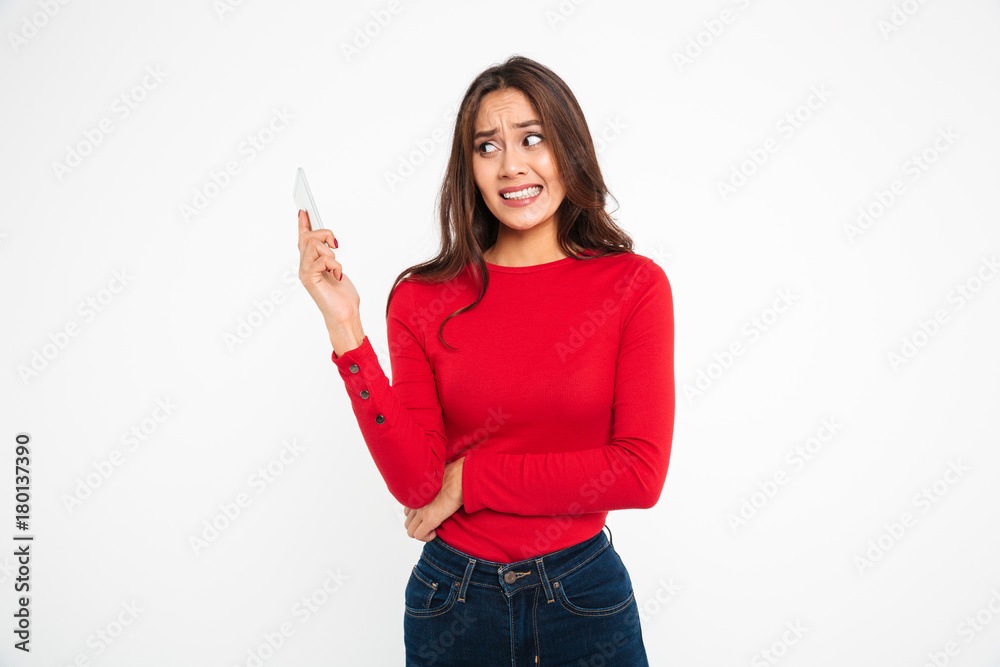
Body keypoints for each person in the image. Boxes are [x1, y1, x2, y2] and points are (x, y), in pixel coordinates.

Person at [297, 54, 673, 666]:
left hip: (583, 597)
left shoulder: (633, 286)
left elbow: (638, 473)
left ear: (569, 149)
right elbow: (418, 485)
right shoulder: (422, 298)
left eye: (532, 138)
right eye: (487, 147)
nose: (511, 165)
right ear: (468, 168)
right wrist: (345, 327)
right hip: (454, 601)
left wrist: (470, 480)